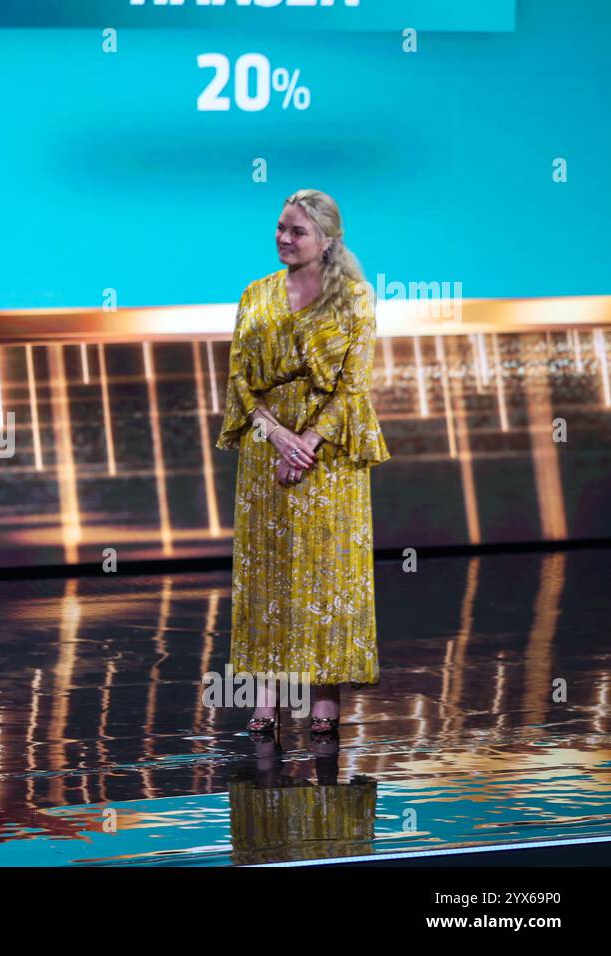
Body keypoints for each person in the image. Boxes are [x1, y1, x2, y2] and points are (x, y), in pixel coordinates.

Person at [215, 188, 391, 738]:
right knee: (268, 577)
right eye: (280, 228)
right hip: (267, 453)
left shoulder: (356, 300)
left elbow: (353, 385)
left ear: (327, 240)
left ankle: (323, 703)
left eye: (297, 231)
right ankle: (265, 700)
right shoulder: (255, 294)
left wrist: (308, 441)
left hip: (329, 456)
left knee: (326, 575)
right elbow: (240, 378)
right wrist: (276, 436)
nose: (284, 239)